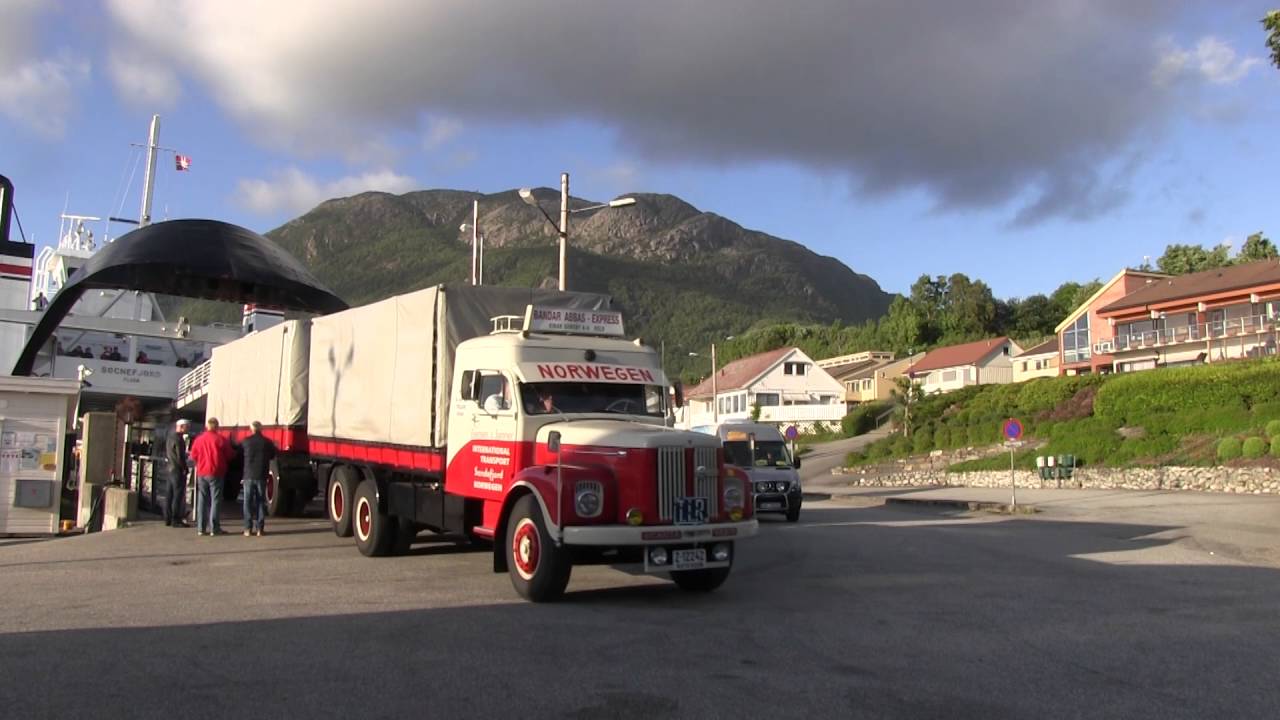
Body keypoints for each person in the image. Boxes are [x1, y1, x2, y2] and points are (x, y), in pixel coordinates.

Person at [188, 417, 234, 536]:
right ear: (217, 427)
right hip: (216, 472)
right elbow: (230, 455)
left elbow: (193, 456)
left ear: (207, 426)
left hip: (202, 472)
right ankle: (214, 528)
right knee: (216, 500)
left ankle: (201, 528)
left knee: (202, 499)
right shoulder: (221, 440)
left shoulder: (199, 439)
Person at [238, 421, 277, 537]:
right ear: (261, 429)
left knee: (247, 502)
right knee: (260, 501)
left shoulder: (245, 441)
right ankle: (260, 528)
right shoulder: (267, 442)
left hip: (248, 475)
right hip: (261, 475)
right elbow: (273, 455)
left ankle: (247, 528)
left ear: (251, 429)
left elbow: (239, 455)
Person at [163, 419, 191, 528]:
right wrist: (184, 468)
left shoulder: (170, 437)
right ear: (182, 427)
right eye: (187, 427)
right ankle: (176, 519)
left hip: (169, 468)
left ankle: (167, 518)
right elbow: (180, 456)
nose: (188, 429)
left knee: (169, 495)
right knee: (177, 495)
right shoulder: (179, 439)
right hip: (177, 470)